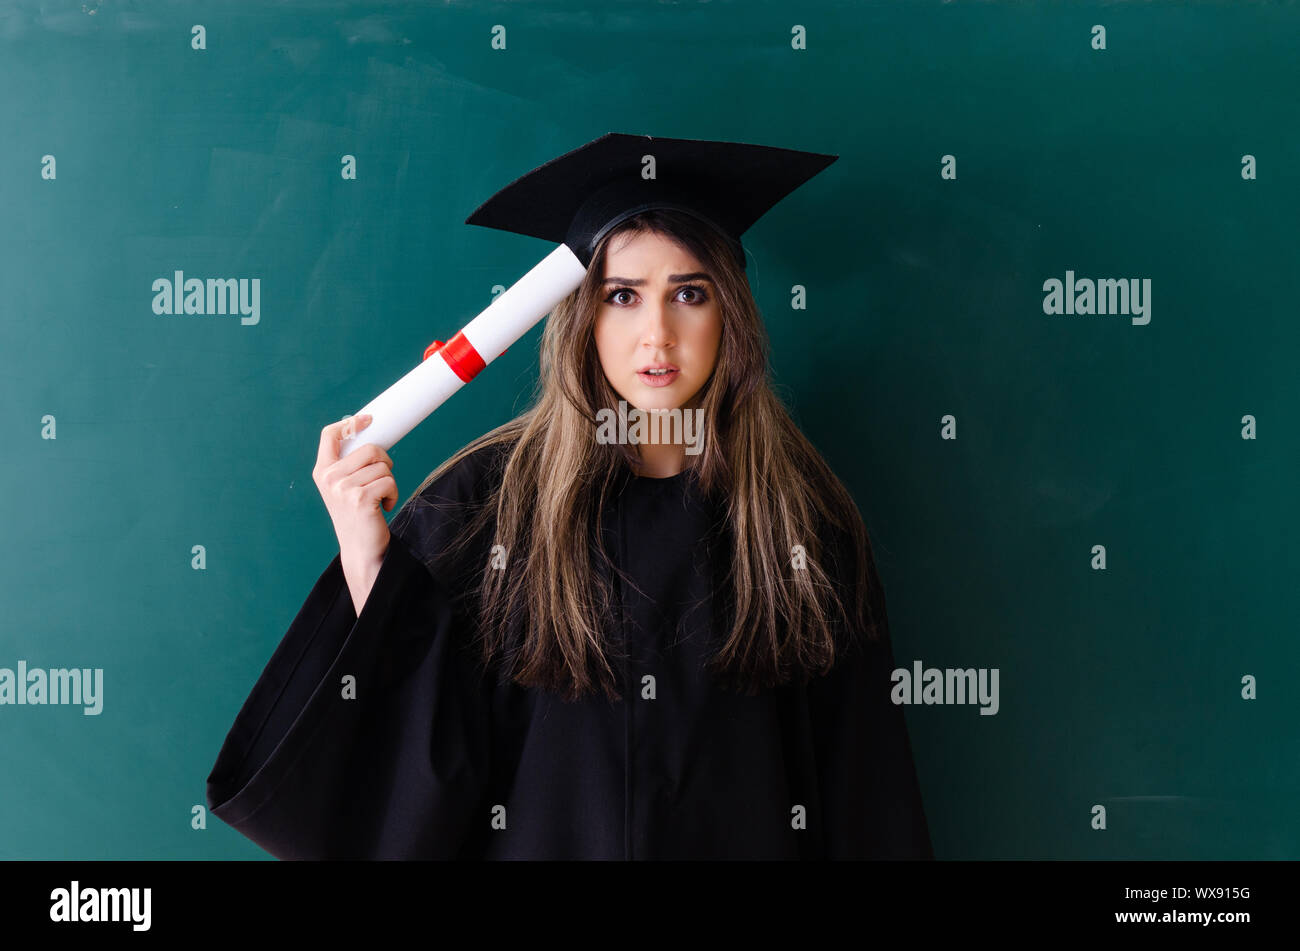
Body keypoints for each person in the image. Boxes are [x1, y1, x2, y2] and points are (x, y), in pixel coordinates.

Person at [206, 135, 934, 860]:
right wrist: (367, 557)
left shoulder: (802, 519)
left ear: (730, 316)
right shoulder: (485, 506)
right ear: (582, 316)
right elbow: (423, 780)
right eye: (623, 295)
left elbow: (864, 793)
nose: (658, 334)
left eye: (689, 292)